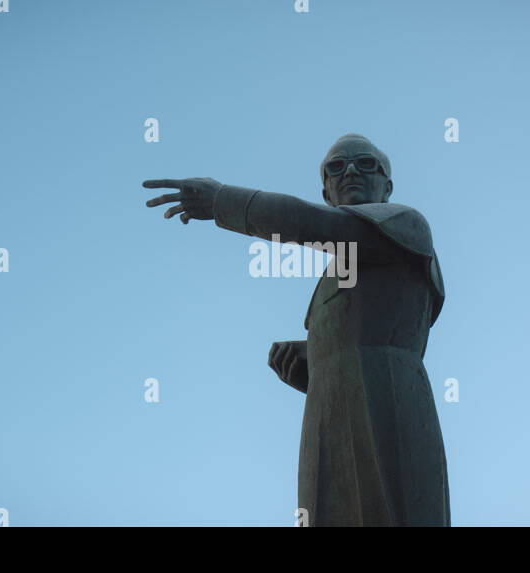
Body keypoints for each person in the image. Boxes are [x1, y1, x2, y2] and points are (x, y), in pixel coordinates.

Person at [144, 134, 449, 526]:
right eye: (336, 168)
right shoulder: (333, 271)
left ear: (387, 185)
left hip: (384, 395)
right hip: (327, 416)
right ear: (326, 190)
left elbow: (311, 224)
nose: (350, 170)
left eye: (365, 163)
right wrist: (316, 361)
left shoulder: (404, 223)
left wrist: (224, 201)